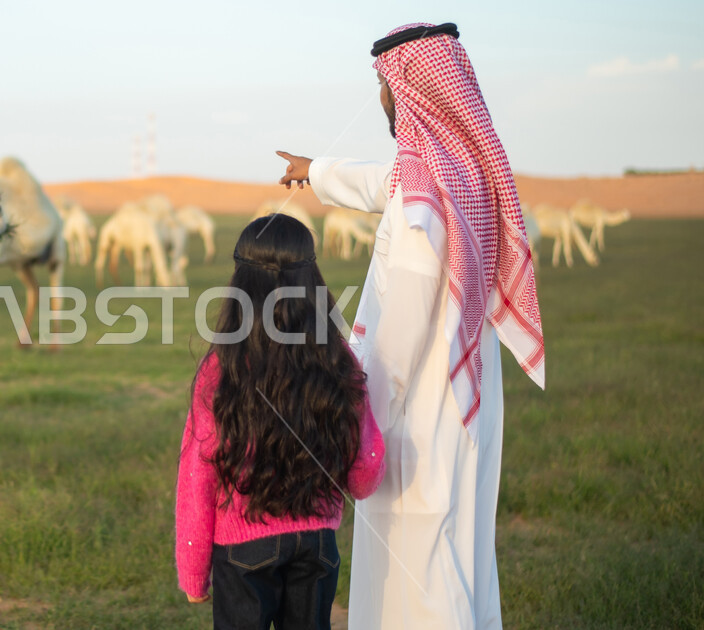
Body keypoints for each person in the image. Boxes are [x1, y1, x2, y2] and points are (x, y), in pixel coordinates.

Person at [276, 23, 545, 629]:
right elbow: (387, 182)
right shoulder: (459, 171)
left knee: (422, 559)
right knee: (456, 545)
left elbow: (400, 337)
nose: (380, 99)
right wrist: (316, 171)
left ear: (410, 88)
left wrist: (359, 414)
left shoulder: (424, 202)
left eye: (382, 84)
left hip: (419, 405)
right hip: (465, 392)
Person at [175, 215, 386, 630]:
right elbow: (364, 472)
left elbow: (197, 475)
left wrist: (194, 572)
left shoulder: (221, 369)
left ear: (240, 283)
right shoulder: (338, 360)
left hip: (241, 549)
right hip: (317, 544)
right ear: (312, 280)